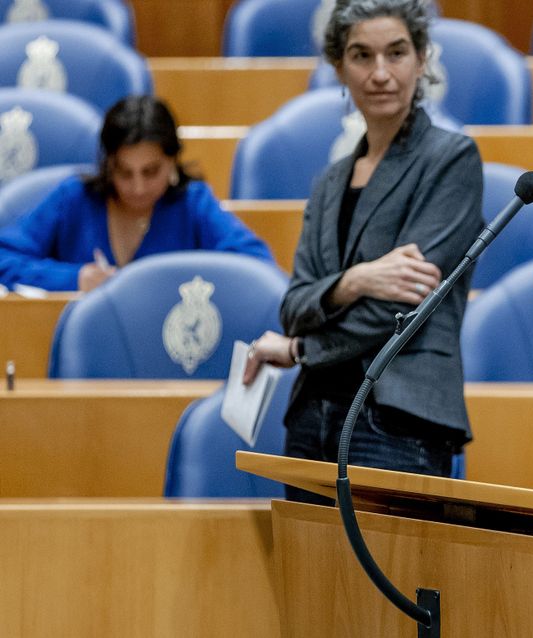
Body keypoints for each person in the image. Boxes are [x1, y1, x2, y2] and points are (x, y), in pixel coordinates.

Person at [243, 0, 484, 504]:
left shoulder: (451, 158)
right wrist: (355, 280)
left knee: (388, 580)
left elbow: (406, 305)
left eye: (396, 53)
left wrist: (301, 350)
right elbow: (293, 306)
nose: (380, 73)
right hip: (312, 414)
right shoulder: (329, 182)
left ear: (421, 60)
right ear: (338, 67)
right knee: (308, 579)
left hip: (398, 415)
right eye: (361, 56)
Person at [0, 95, 274, 292]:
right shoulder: (73, 199)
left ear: (172, 161)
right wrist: (74, 279)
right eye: (124, 172)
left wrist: (180, 282)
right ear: (107, 164)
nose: (138, 187)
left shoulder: (192, 204)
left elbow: (257, 265)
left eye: (151, 171)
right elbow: (5, 257)